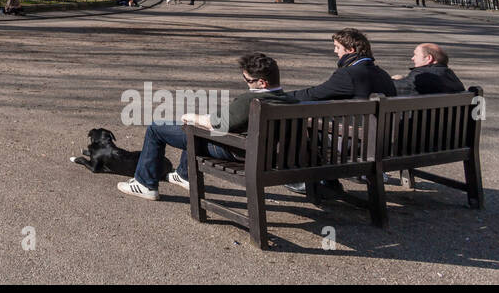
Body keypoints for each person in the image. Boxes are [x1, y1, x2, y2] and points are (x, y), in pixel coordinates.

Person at [117, 53, 299, 200]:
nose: (245, 83)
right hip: (269, 157)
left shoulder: (252, 101)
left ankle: (144, 184)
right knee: (196, 126)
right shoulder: (291, 101)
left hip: (238, 152)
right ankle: (183, 174)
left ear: (262, 83)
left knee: (157, 128)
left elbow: (215, 123)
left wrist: (191, 117)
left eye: (247, 80)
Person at [285, 28, 396, 194]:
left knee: (299, 124)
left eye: (337, 47)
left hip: (357, 142)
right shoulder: (383, 74)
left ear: (350, 50)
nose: (334, 51)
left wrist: (280, 96)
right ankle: (328, 180)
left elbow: (314, 94)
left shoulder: (349, 74)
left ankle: (309, 179)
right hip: (384, 141)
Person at [393, 43, 465, 95]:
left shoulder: (425, 75)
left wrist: (392, 80)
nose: (412, 58)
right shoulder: (451, 76)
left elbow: (394, 88)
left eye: (415, 55)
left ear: (429, 58)